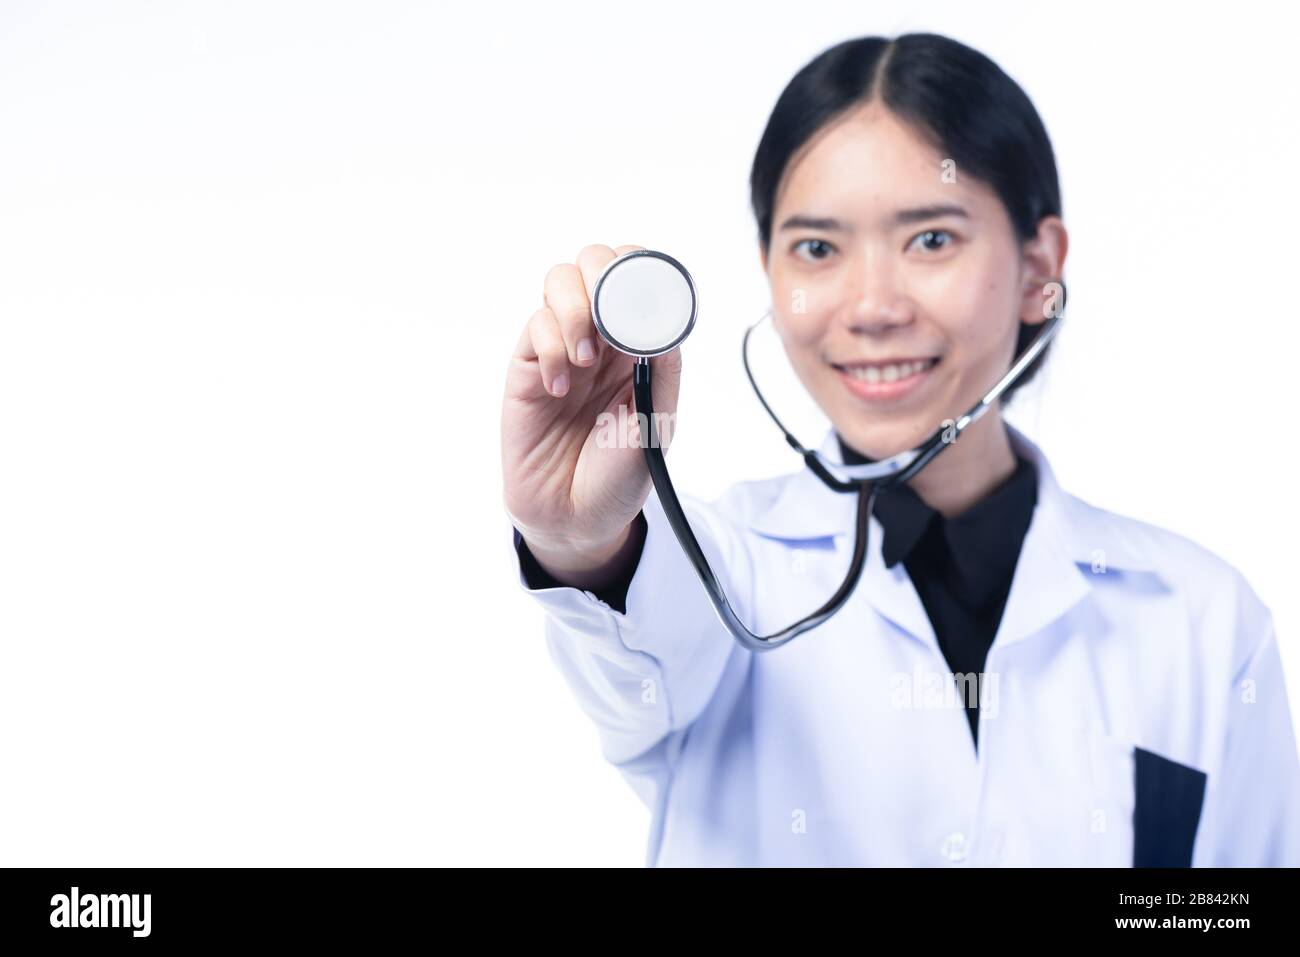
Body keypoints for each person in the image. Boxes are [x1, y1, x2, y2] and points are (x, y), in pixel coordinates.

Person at [499, 32, 1300, 866]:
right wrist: (575, 539)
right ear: (769, 271)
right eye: (817, 247)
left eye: (930, 240)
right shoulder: (721, 579)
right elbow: (633, 643)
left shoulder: (1203, 621)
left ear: (1039, 268)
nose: (872, 305)